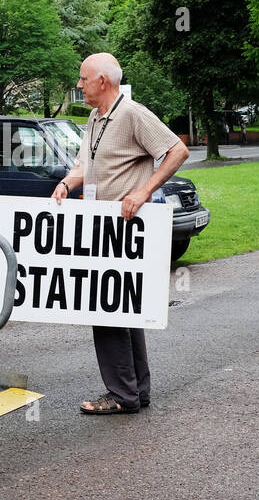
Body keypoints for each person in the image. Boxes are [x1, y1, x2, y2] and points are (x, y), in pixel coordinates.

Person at [52, 53, 189, 414]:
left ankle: (121, 394)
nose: (79, 85)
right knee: (125, 309)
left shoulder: (132, 113)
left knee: (107, 308)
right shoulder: (95, 119)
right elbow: (85, 163)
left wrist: (143, 191)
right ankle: (135, 392)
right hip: (102, 226)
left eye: (83, 79)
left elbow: (177, 150)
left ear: (103, 81)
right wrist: (67, 183)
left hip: (125, 227)